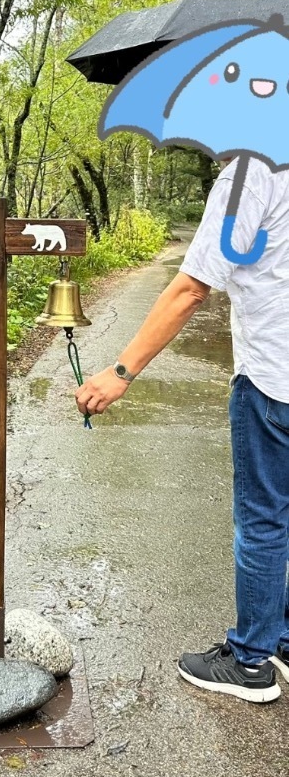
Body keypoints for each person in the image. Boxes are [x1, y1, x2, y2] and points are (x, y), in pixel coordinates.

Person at [74, 155, 289, 704]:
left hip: (274, 378)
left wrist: (120, 371)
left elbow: (192, 288)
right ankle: (284, 636)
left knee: (263, 519)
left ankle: (251, 662)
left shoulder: (251, 172)